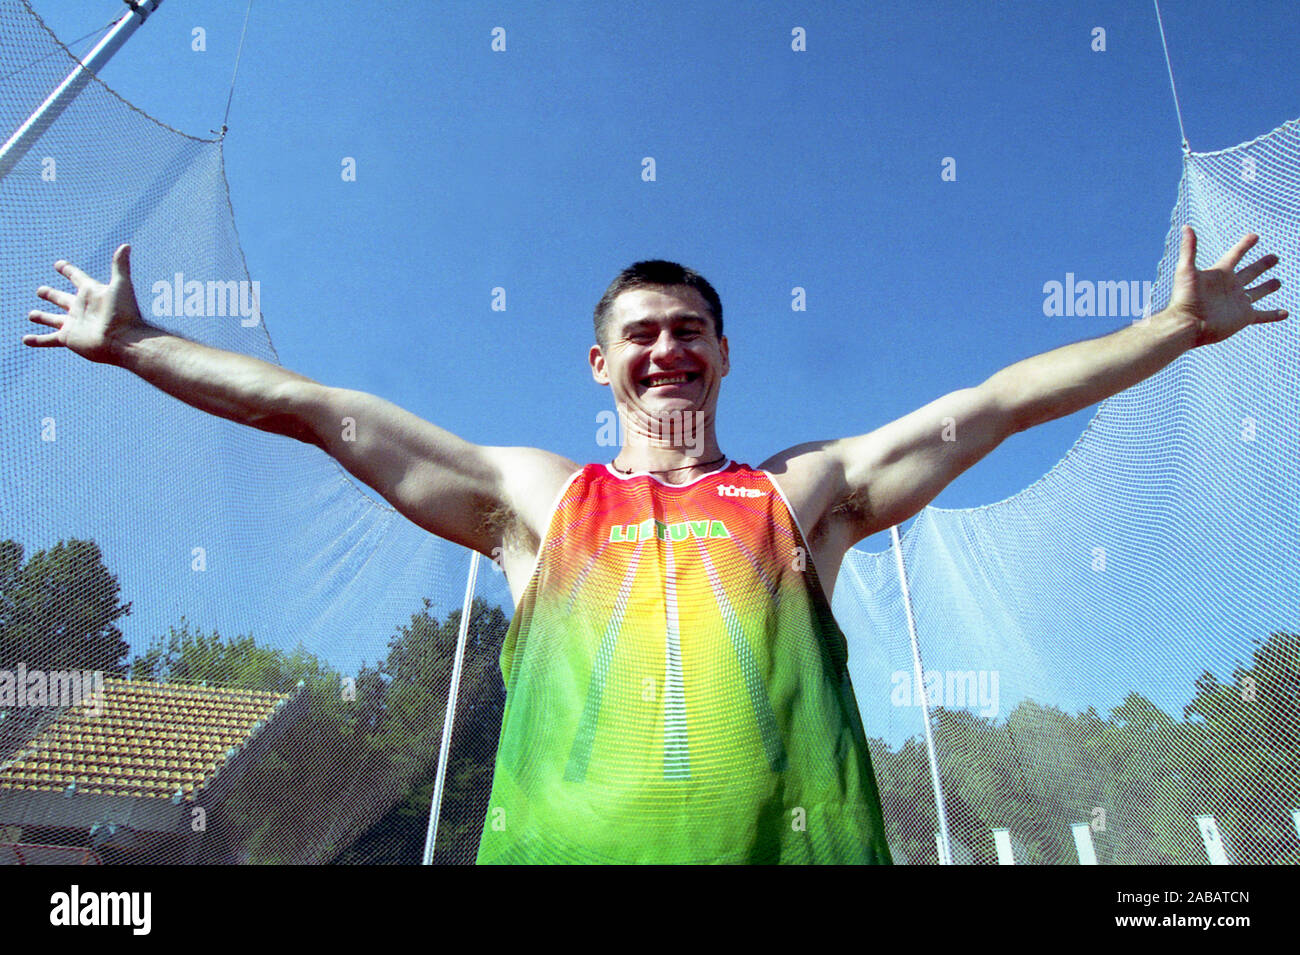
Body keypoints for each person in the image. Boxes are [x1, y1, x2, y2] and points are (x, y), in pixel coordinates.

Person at [23, 227, 1285, 863]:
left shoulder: (803, 492)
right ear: (599, 363)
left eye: (689, 328)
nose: (666, 347)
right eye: (640, 332)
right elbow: (325, 413)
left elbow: (996, 404)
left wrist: (1169, 331)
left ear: (724, 353)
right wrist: (138, 344)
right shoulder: (537, 499)